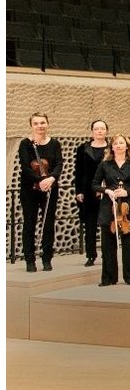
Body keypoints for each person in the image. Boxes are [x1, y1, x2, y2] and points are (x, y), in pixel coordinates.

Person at [93, 134, 130, 286]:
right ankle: (109, 278)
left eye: (121, 143)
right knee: (107, 245)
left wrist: (127, 192)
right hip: (108, 207)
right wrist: (107, 191)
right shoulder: (105, 165)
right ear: (111, 147)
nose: (118, 145)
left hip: (128, 207)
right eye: (115, 143)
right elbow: (95, 184)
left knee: (129, 244)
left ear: (127, 146)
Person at [18, 112, 63, 272]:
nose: (40, 126)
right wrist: (40, 181)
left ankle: (47, 258)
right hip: (30, 188)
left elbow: (58, 164)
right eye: (36, 123)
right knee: (29, 223)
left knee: (48, 223)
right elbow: (25, 167)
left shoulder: (55, 144)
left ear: (47, 124)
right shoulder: (25, 144)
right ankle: (30, 260)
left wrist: (51, 179)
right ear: (31, 125)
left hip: (50, 187)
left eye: (42, 122)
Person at [73, 120, 111, 268]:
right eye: (96, 129)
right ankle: (91, 255)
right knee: (89, 224)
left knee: (106, 224)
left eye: (102, 129)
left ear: (106, 131)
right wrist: (79, 191)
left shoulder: (111, 148)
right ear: (92, 131)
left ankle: (107, 254)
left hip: (106, 190)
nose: (99, 131)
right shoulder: (83, 148)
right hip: (88, 190)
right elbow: (79, 171)